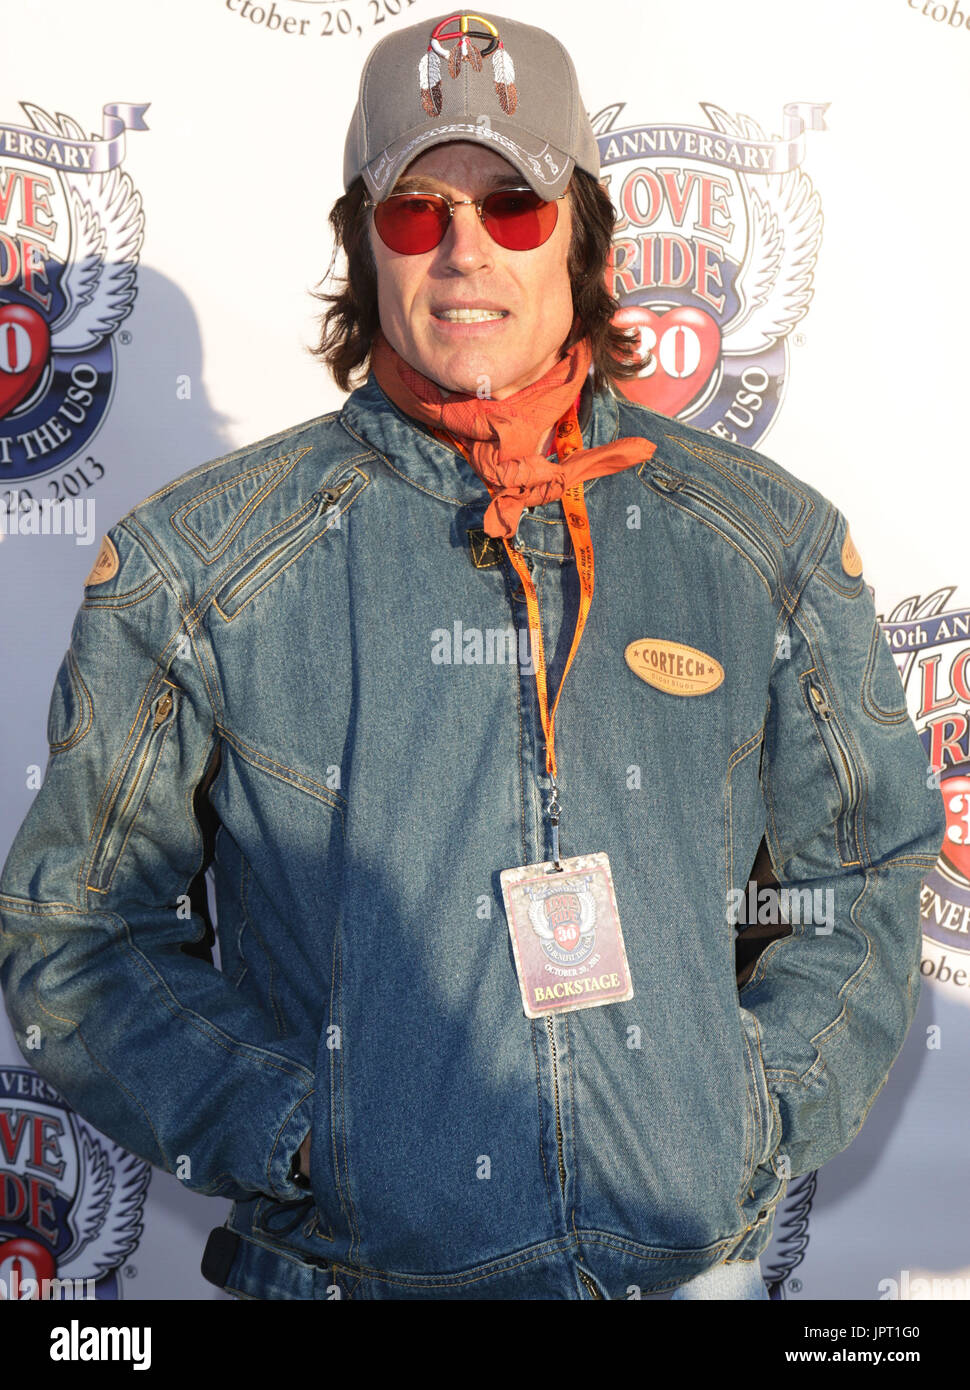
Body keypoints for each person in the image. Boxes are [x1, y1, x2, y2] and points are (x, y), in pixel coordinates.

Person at [0, 11, 946, 1302]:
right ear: (362, 241)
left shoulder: (764, 544)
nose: (463, 252)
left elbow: (864, 868)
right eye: (415, 212)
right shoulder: (199, 566)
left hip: (682, 1282)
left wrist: (749, 1107)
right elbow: (78, 924)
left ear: (582, 234)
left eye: (512, 205)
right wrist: (307, 1136)